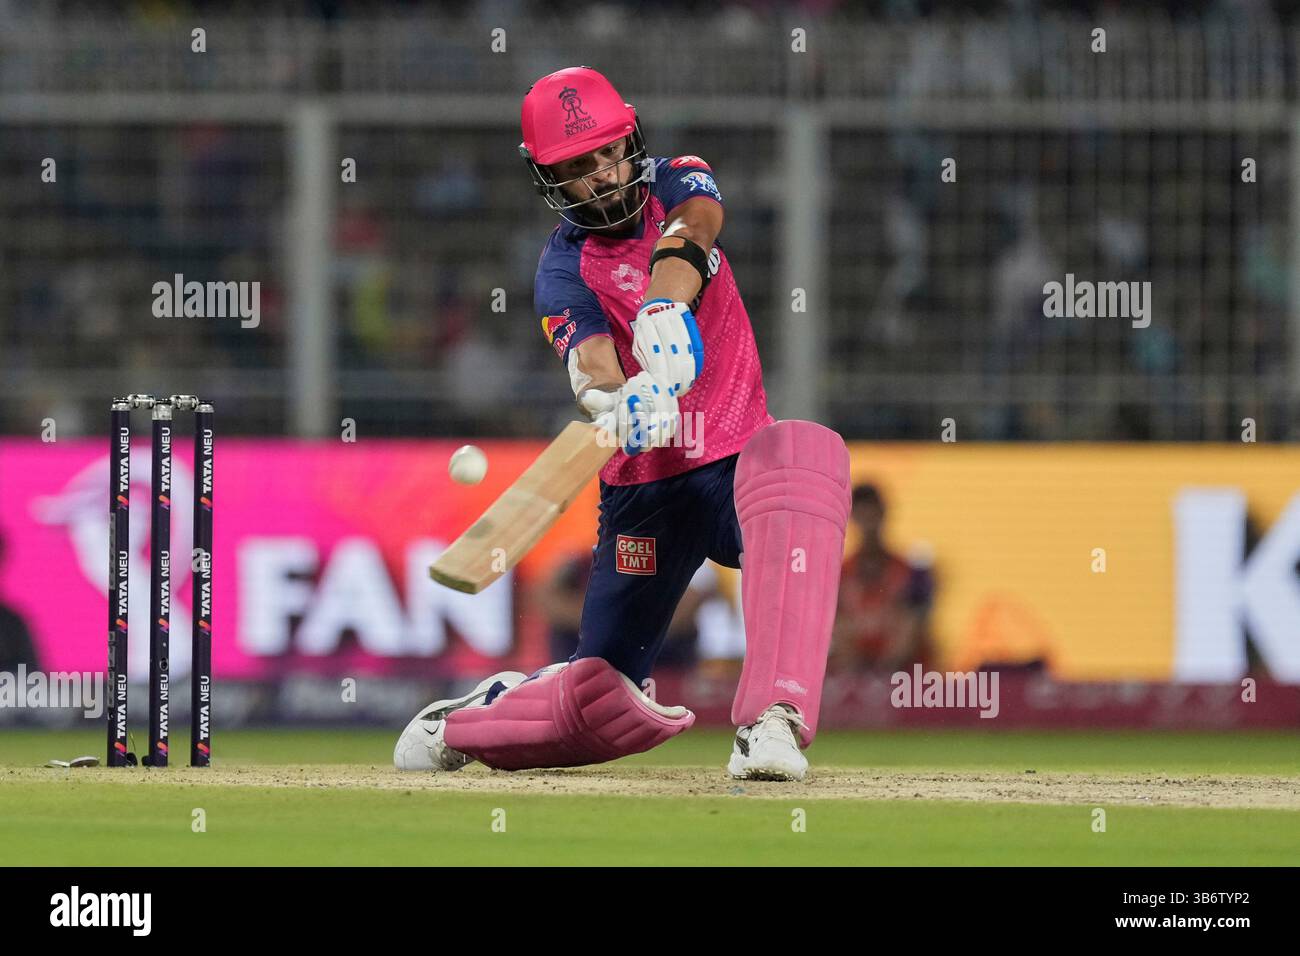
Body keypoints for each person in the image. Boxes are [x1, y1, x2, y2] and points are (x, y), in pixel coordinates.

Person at [394, 66, 851, 781]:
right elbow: (593, 365)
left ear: (632, 139)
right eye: (578, 168)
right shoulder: (561, 268)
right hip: (645, 489)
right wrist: (622, 400)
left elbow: (691, 233)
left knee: (805, 459)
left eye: (609, 152)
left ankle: (772, 721)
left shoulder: (680, 179)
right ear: (549, 180)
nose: (604, 176)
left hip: (736, 465)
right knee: (601, 701)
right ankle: (466, 717)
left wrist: (663, 311)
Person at [829, 484, 935, 673]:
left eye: (873, 515)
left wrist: (885, 671)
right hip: (854, 675)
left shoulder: (910, 573)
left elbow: (913, 626)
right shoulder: (841, 574)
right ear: (853, 519)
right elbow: (838, 627)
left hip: (901, 676)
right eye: (863, 516)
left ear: (883, 514)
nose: (868, 524)